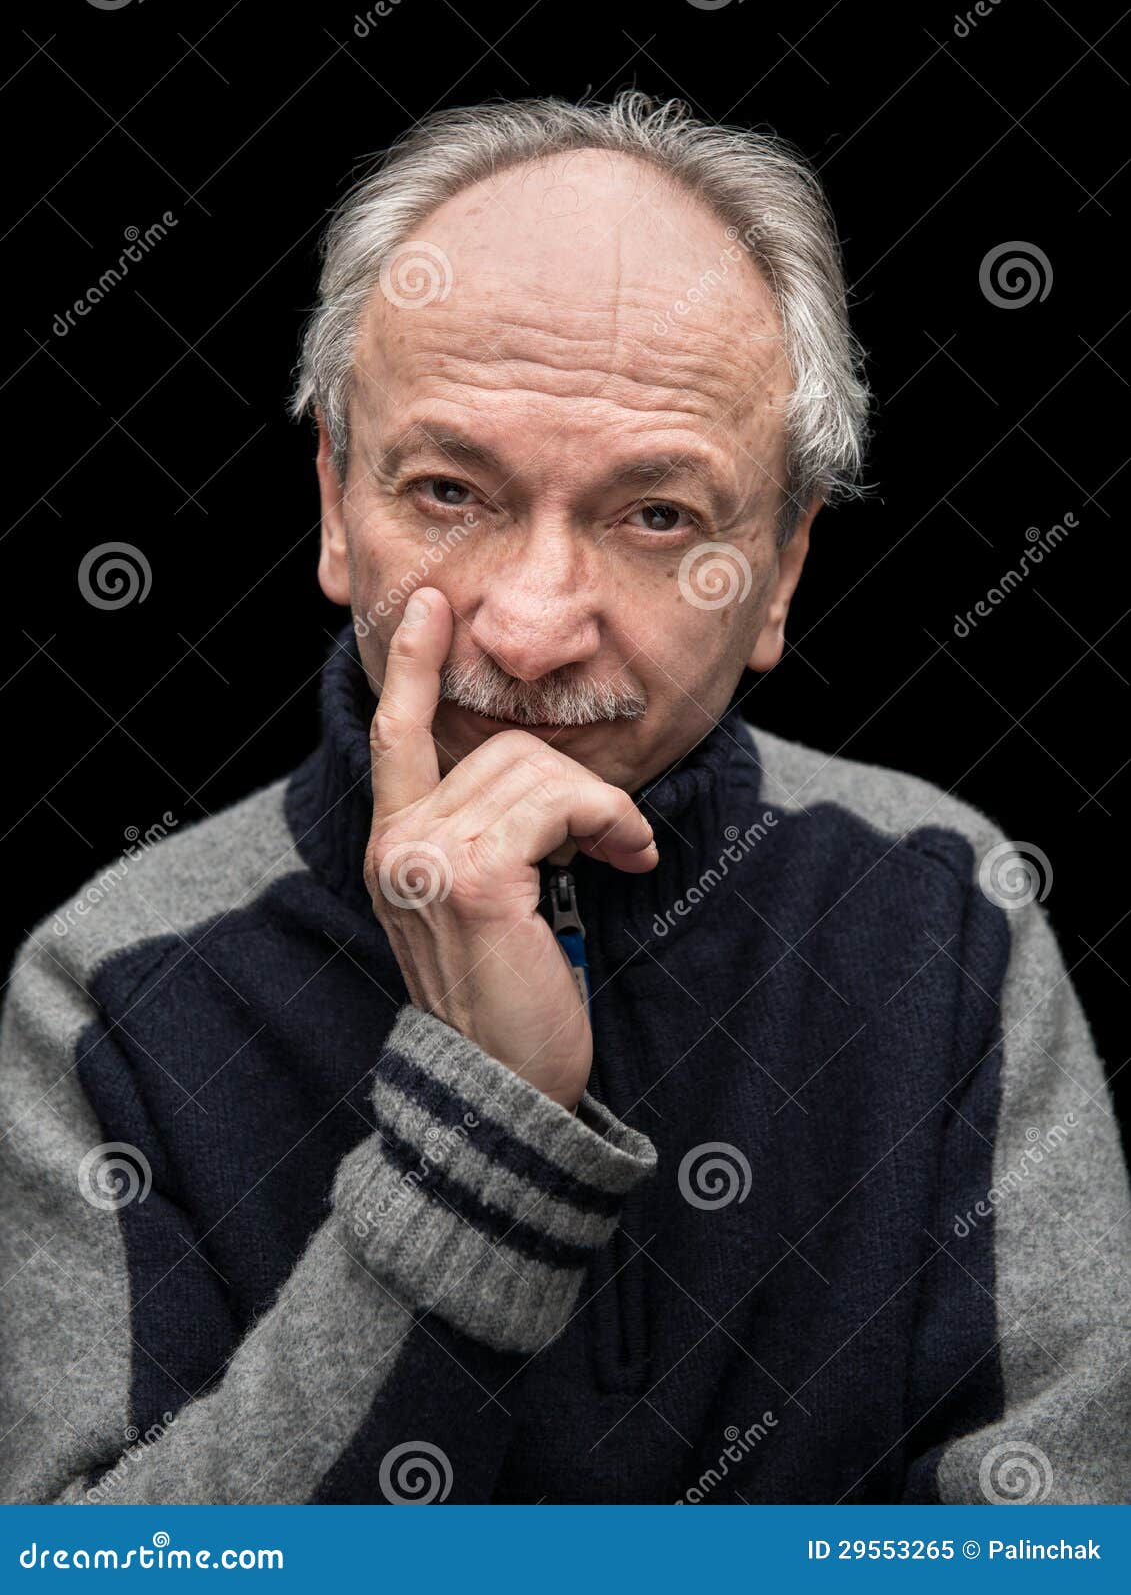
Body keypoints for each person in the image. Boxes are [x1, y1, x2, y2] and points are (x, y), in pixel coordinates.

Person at [2, 93, 1127, 1506]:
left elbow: (1053, 1546)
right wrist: (480, 1129)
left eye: (657, 515)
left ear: (781, 567)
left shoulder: (943, 910)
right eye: (449, 491)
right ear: (337, 506)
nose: (533, 628)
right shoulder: (112, 989)